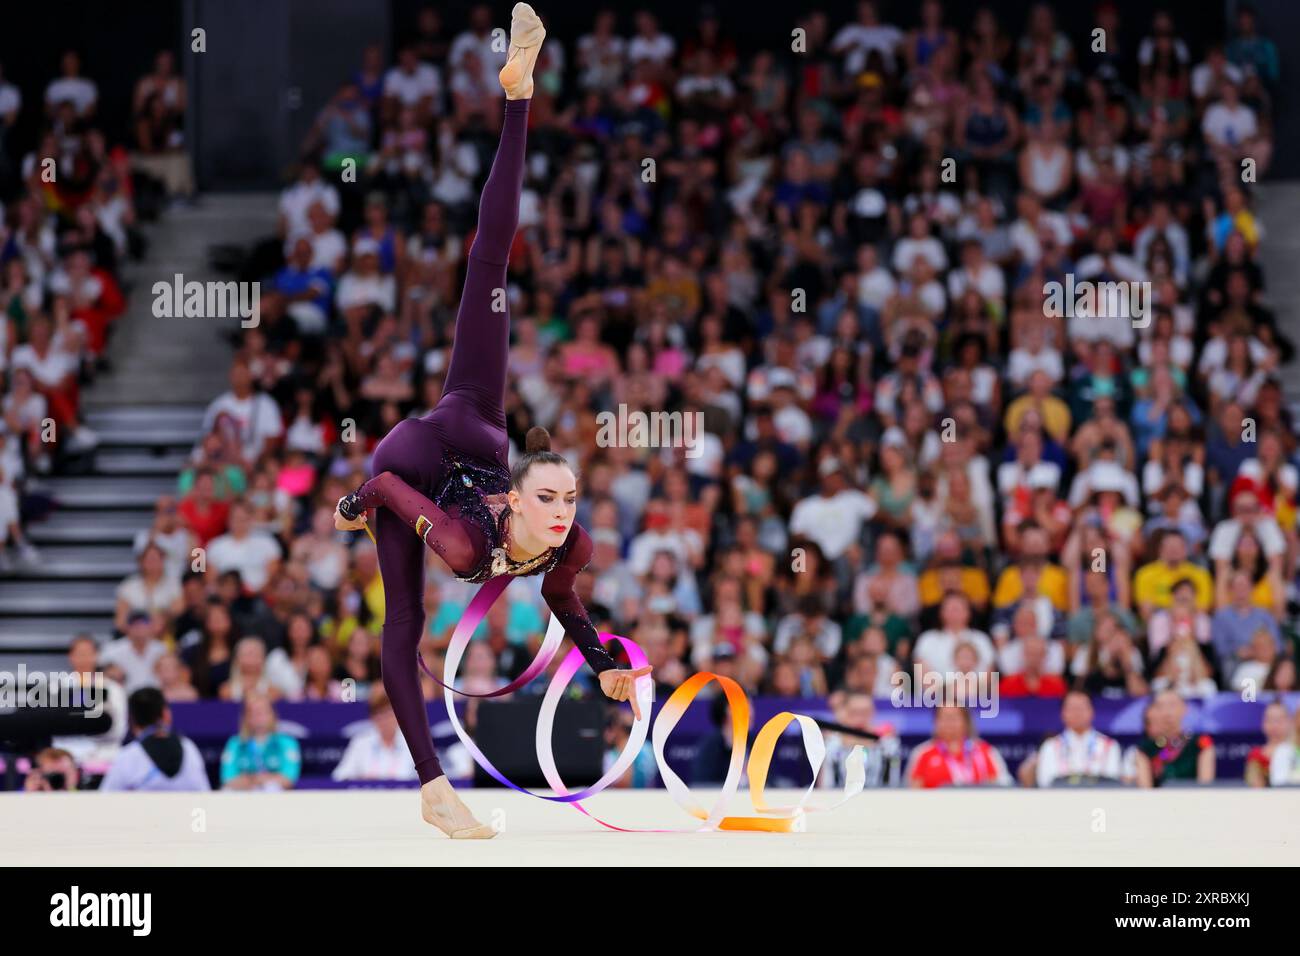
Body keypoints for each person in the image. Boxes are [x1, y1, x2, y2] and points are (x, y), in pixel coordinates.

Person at [332, 4, 650, 840]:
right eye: (551, 498)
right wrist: (365, 503)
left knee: (401, 627)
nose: (565, 513)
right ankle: (520, 96)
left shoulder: (564, 542)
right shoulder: (474, 538)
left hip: (463, 470)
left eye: (572, 500)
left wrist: (605, 666)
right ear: (518, 499)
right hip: (425, 453)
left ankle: (434, 797)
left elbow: (564, 601)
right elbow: (392, 481)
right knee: (489, 260)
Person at [99, 688, 211, 792]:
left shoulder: (128, 756)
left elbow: (105, 801)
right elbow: (205, 795)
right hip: (188, 811)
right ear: (166, 714)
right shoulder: (189, 748)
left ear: (130, 719)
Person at [906, 704, 1012, 788]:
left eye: (954, 717)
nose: (949, 722)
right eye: (943, 717)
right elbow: (912, 791)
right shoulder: (922, 753)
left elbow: (1003, 785)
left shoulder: (986, 751)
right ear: (935, 722)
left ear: (966, 721)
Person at [1034, 691, 1122, 786]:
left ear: (1092, 711)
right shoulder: (1050, 746)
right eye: (1072, 708)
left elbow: (1112, 783)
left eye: (1082, 708)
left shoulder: (1109, 745)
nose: (1077, 713)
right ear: (1063, 713)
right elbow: (1045, 783)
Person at [219, 691, 302, 791]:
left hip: (275, 797)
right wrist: (254, 782)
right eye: (253, 712)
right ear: (246, 717)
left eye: (262, 712)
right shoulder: (235, 743)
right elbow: (227, 778)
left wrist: (259, 780)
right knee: (226, 791)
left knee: (272, 788)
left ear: (273, 715)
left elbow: (288, 778)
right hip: (243, 793)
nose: (258, 717)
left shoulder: (287, 742)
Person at [332, 687, 418, 781]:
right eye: (379, 714)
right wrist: (361, 780)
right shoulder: (360, 743)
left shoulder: (413, 744)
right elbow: (339, 776)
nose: (384, 720)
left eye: (388, 714)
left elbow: (429, 780)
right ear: (372, 717)